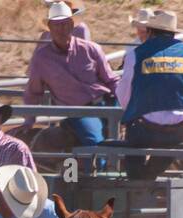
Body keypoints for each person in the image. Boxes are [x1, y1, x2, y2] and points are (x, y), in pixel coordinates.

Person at [116, 9, 183, 180]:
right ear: (173, 33)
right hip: (181, 129)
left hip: (145, 128)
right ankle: (149, 174)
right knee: (174, 140)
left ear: (149, 31)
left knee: (133, 135)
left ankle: (137, 179)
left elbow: (124, 95)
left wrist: (137, 109)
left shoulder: (136, 54)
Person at [23, 2, 118, 151]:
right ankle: (99, 172)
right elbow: (34, 92)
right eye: (57, 25)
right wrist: (29, 121)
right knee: (95, 142)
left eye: (65, 24)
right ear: (50, 27)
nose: (61, 29)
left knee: (134, 133)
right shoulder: (41, 58)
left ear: (72, 24)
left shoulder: (91, 49)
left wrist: (126, 102)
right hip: (78, 110)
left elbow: (111, 80)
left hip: (106, 102)